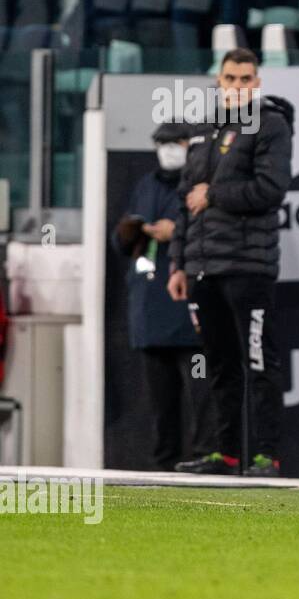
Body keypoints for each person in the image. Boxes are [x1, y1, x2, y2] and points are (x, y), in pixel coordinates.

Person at [167, 47, 294, 476]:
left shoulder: (271, 125)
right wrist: (177, 264)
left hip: (249, 267)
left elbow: (270, 190)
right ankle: (227, 454)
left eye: (245, 80)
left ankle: (265, 456)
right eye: (230, 79)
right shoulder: (202, 129)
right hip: (204, 268)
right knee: (220, 366)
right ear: (218, 82)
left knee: (259, 362)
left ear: (256, 84)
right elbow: (185, 202)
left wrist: (214, 195)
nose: (237, 86)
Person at [114, 120, 212, 469]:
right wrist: (128, 233)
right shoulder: (146, 184)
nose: (169, 149)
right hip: (151, 310)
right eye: (162, 143)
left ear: (190, 144)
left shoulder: (202, 184)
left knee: (201, 391)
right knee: (161, 400)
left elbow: (215, 231)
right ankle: (165, 464)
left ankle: (206, 457)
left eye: (176, 142)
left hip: (189, 311)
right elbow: (123, 240)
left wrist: (177, 232)